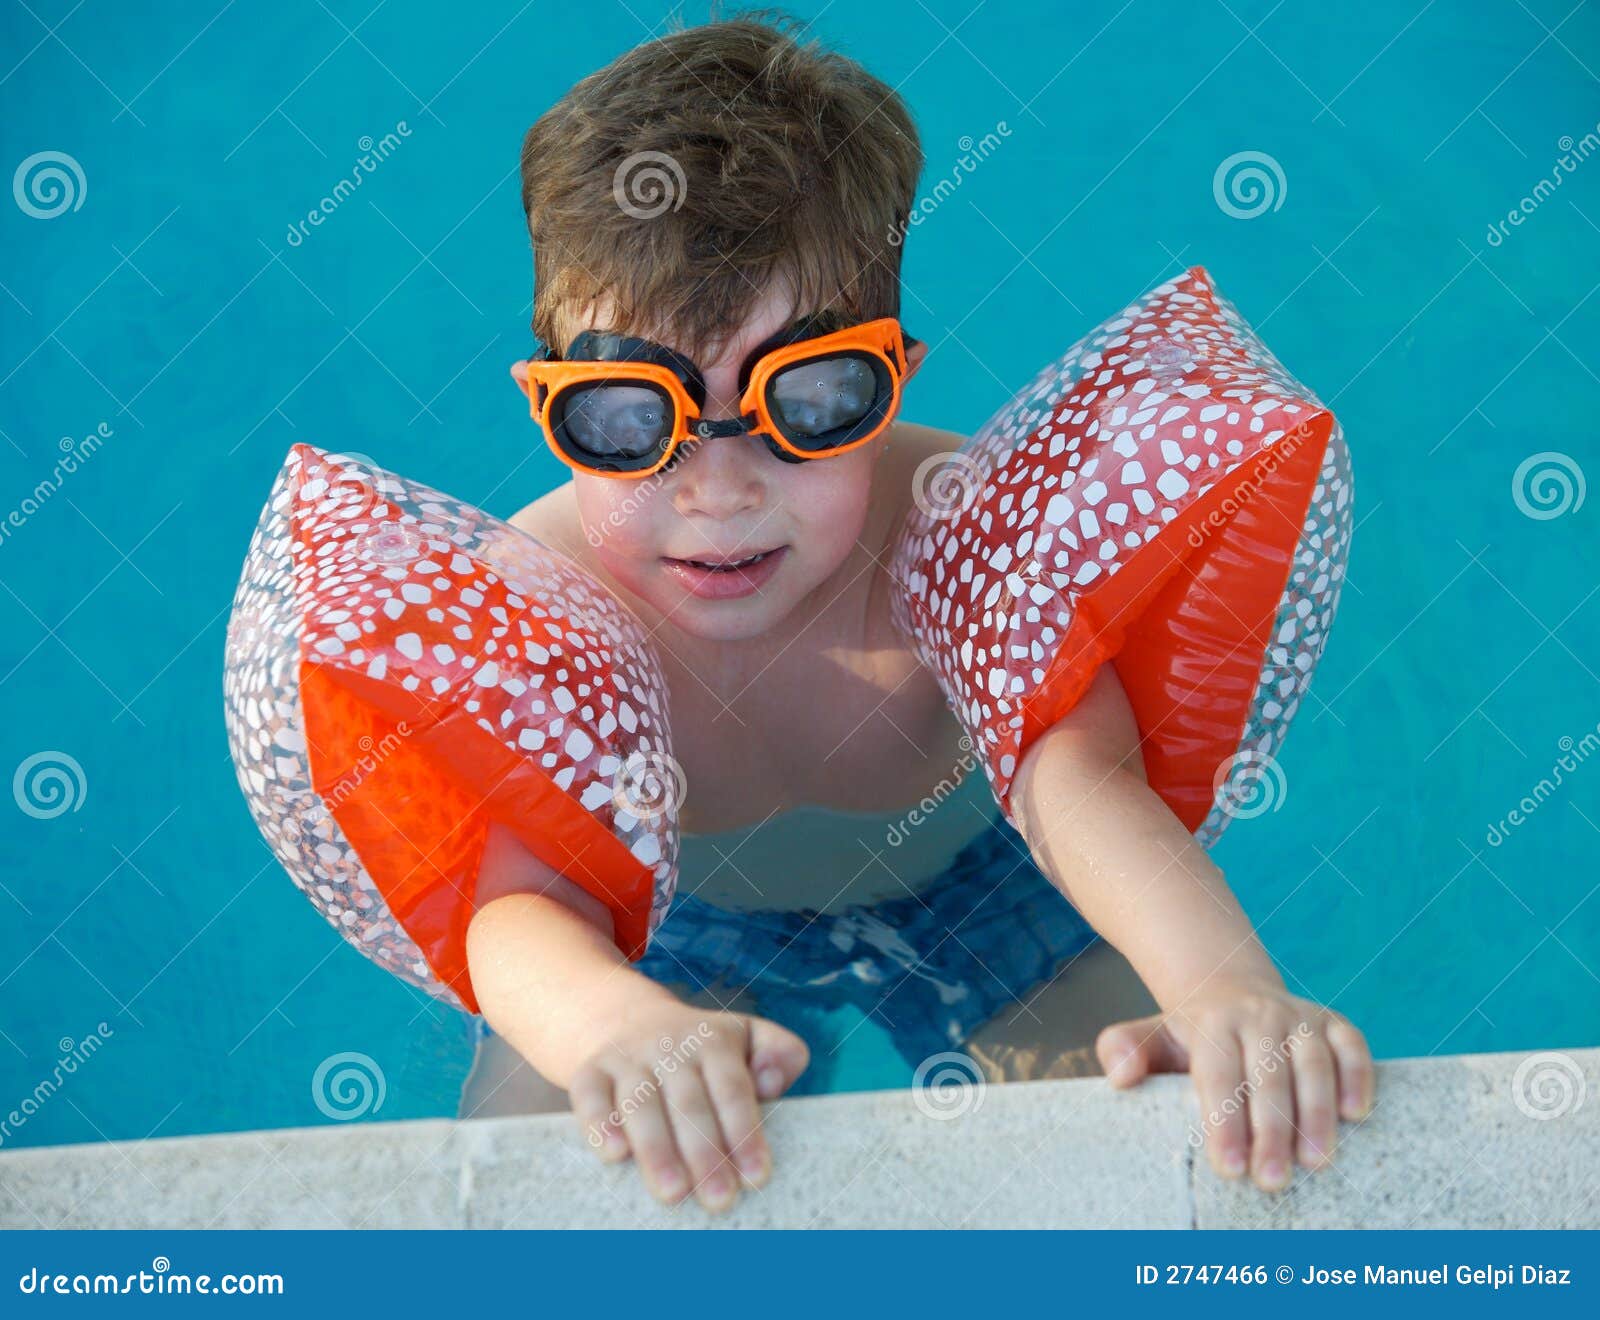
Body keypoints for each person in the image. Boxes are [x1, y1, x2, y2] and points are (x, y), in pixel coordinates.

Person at [458, 11, 1373, 1214]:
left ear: (894, 378)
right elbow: (516, 903)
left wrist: (1222, 987)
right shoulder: (548, 602)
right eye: (630, 418)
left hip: (988, 893)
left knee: (1182, 1149)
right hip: (692, 932)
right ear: (546, 406)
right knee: (529, 1177)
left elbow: (1075, 778)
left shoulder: (956, 528)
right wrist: (617, 1020)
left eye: (813, 400)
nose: (720, 490)